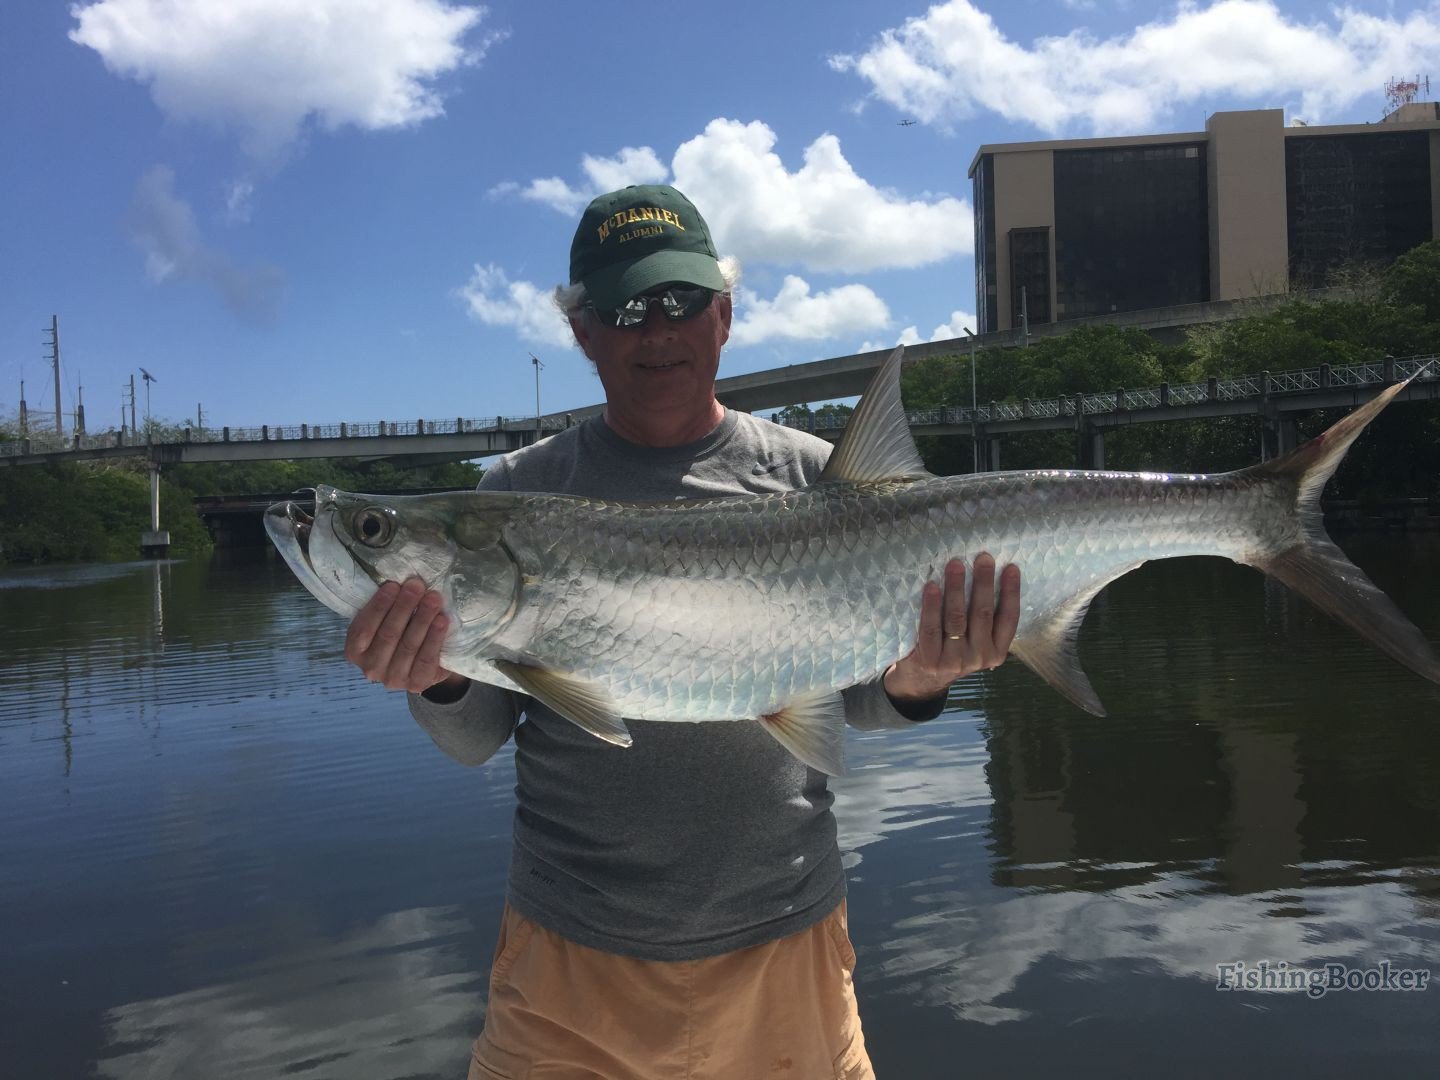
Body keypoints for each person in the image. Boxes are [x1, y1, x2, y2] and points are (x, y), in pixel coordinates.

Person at [343, 185, 1021, 1079]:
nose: (657, 329)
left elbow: (862, 700)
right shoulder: (516, 492)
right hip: (569, 962)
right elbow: (476, 740)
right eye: (626, 309)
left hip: (787, 945)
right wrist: (434, 676)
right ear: (582, 332)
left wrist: (926, 675)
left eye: (681, 300)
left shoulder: (814, 477)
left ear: (724, 315)